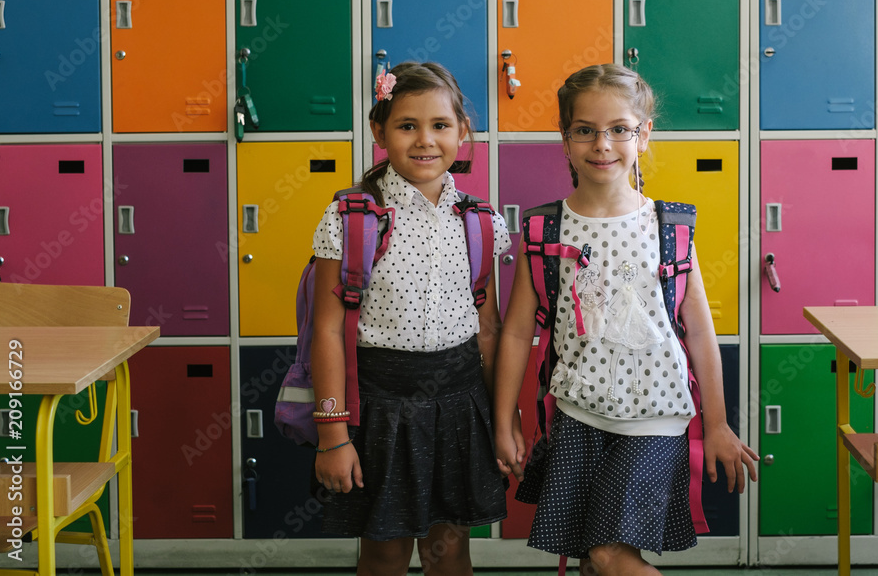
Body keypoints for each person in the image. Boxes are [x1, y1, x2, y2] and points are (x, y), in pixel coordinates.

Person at [493, 63, 758, 576]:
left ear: (644, 133)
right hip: (576, 419)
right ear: (565, 138)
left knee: (610, 555)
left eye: (619, 129)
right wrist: (507, 420)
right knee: (596, 562)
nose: (602, 143)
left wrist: (718, 423)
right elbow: (518, 332)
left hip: (656, 419)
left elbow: (699, 330)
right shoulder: (543, 229)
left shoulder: (670, 228)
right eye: (585, 130)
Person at [310, 62, 510, 575]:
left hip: (460, 404)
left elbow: (488, 330)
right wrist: (334, 434)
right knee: (384, 551)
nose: (425, 140)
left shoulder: (483, 222)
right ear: (380, 132)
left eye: (441, 126)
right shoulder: (351, 218)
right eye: (406, 126)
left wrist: (502, 424)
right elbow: (328, 330)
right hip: (380, 407)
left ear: (463, 131)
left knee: (451, 550)